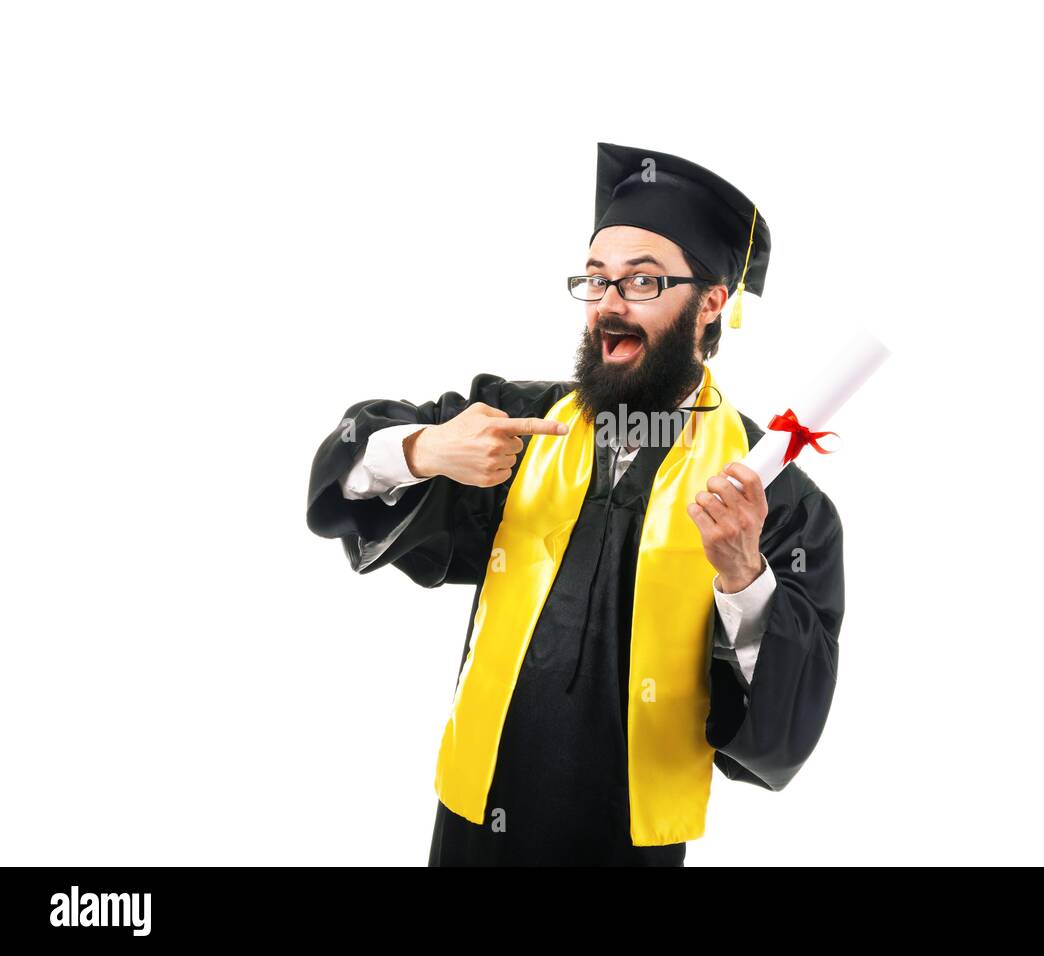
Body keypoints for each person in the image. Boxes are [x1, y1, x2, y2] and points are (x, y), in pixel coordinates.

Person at [306, 143, 846, 866]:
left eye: (643, 281)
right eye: (596, 280)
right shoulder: (514, 425)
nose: (609, 304)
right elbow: (346, 461)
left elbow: (786, 728)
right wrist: (425, 451)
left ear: (712, 301)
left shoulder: (773, 499)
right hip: (474, 826)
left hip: (627, 846)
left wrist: (744, 578)